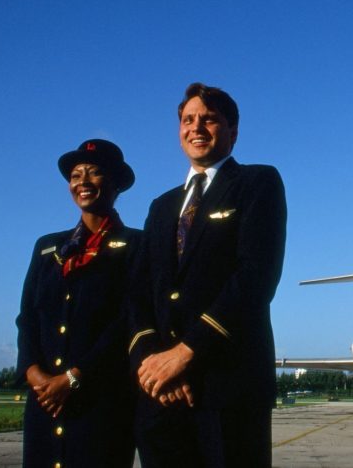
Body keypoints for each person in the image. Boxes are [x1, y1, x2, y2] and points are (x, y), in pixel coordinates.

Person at [129, 82, 287, 467]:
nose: (196, 127)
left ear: (232, 131)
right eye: (188, 119)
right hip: (161, 393)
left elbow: (255, 278)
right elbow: (138, 291)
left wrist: (185, 354)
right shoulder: (161, 207)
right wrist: (155, 363)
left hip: (227, 390)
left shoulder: (256, 183)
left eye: (210, 119)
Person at [16, 139, 141, 468]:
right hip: (45, 404)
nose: (82, 182)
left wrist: (72, 378)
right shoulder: (47, 248)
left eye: (95, 173)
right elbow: (27, 317)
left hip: (100, 405)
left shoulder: (135, 246)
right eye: (75, 175)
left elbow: (129, 321)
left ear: (114, 184)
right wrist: (35, 375)